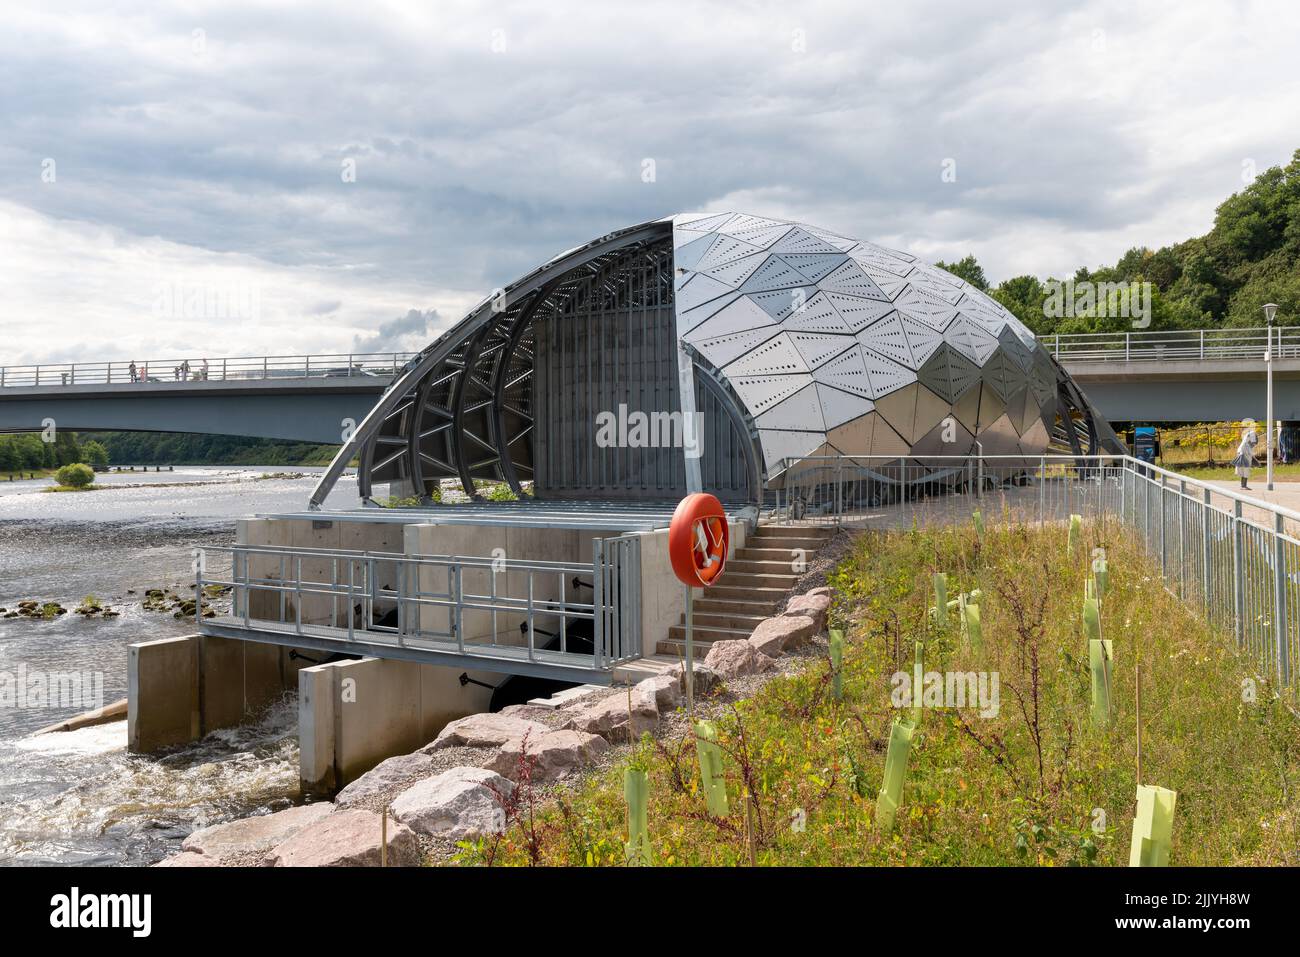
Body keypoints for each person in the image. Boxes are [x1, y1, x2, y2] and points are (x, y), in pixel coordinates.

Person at [1232, 425, 1258, 490]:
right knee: (1245, 470)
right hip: (1244, 454)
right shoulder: (1251, 434)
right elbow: (1252, 444)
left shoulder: (1249, 435)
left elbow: (1251, 445)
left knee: (1244, 470)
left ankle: (1243, 485)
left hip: (1243, 453)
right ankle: (1243, 486)